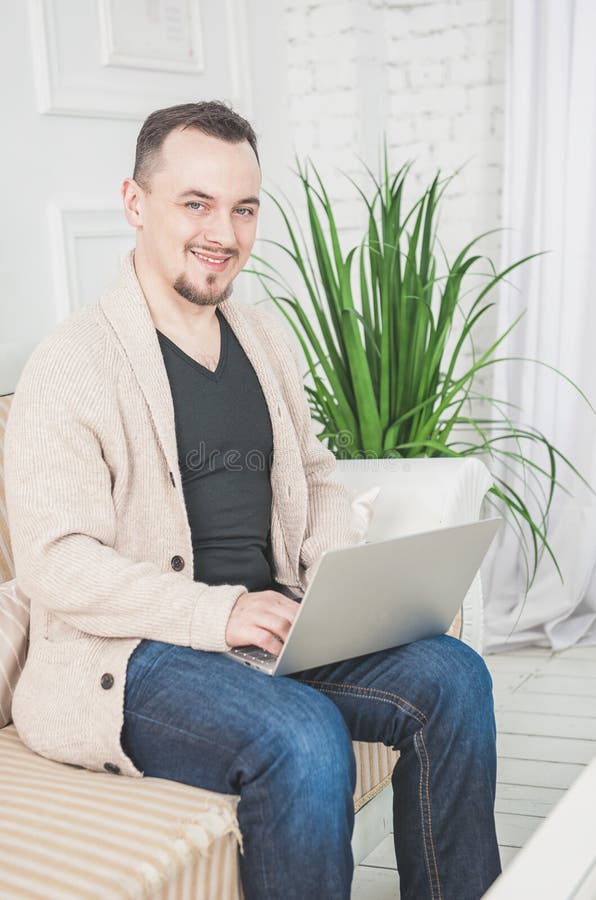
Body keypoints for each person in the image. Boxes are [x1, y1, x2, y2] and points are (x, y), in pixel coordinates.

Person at [4, 100, 502, 899]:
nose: (224, 234)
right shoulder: (70, 365)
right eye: (195, 203)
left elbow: (317, 475)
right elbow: (57, 565)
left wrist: (338, 576)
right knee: (302, 737)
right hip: (135, 656)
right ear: (135, 203)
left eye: (243, 209)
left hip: (275, 625)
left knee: (453, 676)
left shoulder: (264, 338)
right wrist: (220, 613)